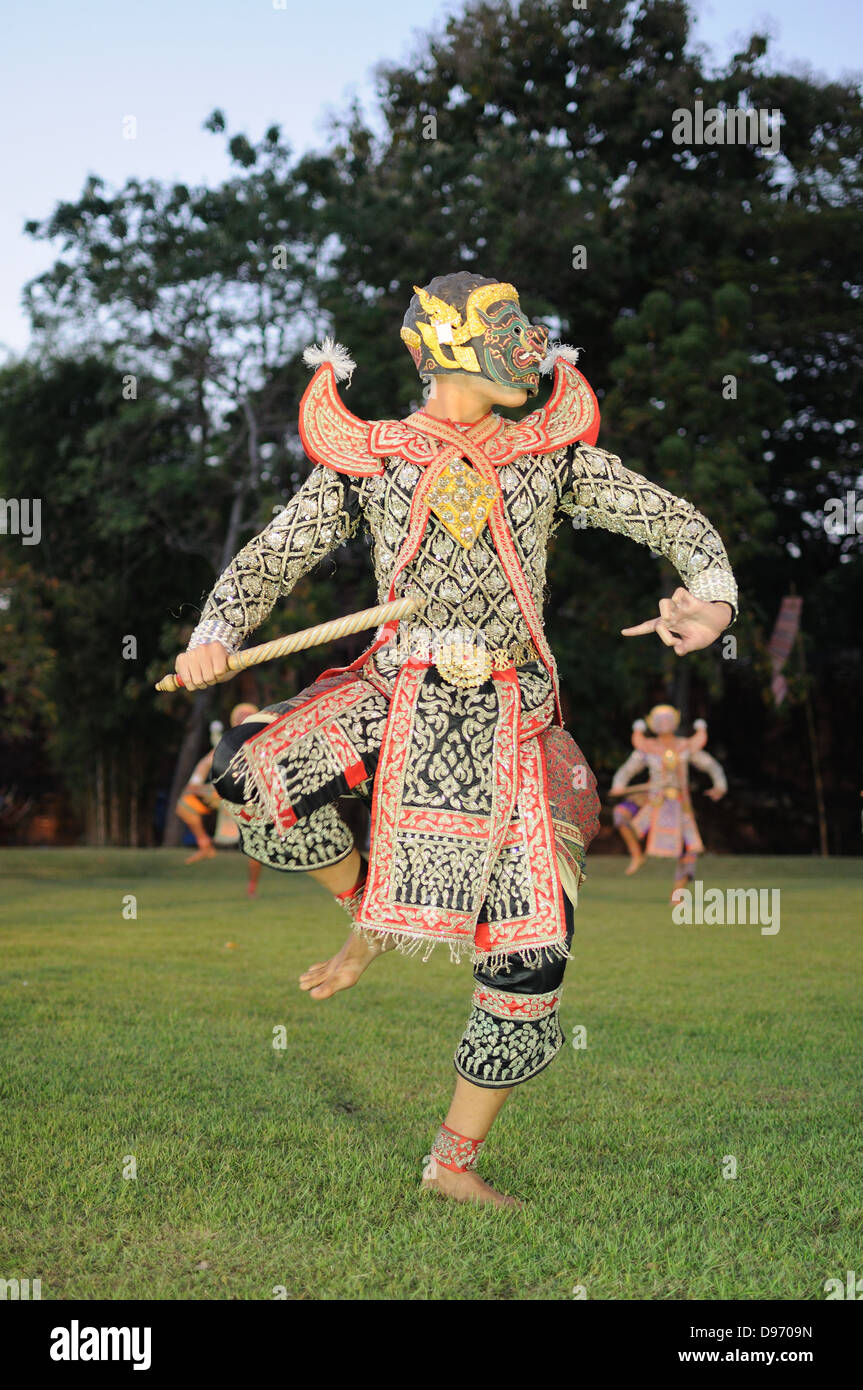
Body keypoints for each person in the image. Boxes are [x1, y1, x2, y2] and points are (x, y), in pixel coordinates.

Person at [172, 272, 738, 1206]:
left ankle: (452, 1166)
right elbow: (272, 555)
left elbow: (670, 520)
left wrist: (710, 598)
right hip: (395, 684)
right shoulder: (374, 459)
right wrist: (213, 636)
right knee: (259, 784)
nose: (529, 346)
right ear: (441, 346)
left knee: (528, 966)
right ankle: (372, 916)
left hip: (512, 713)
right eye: (506, 330)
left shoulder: (548, 456)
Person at [610, 706, 727, 899]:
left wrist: (720, 785)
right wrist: (619, 785)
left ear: (675, 721)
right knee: (621, 813)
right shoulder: (647, 748)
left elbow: (710, 765)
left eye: (668, 719)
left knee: (690, 849)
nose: (664, 723)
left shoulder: (686, 746)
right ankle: (637, 855)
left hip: (679, 806)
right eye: (659, 720)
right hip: (652, 801)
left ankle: (678, 896)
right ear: (651, 724)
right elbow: (627, 770)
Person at [174, 702, 263, 894]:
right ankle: (204, 844)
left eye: (247, 715)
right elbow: (206, 763)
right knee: (185, 803)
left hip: (251, 799)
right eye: (239, 716)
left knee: (256, 845)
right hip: (223, 795)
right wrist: (197, 782)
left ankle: (252, 887)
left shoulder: (262, 742)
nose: (242, 719)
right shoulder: (228, 742)